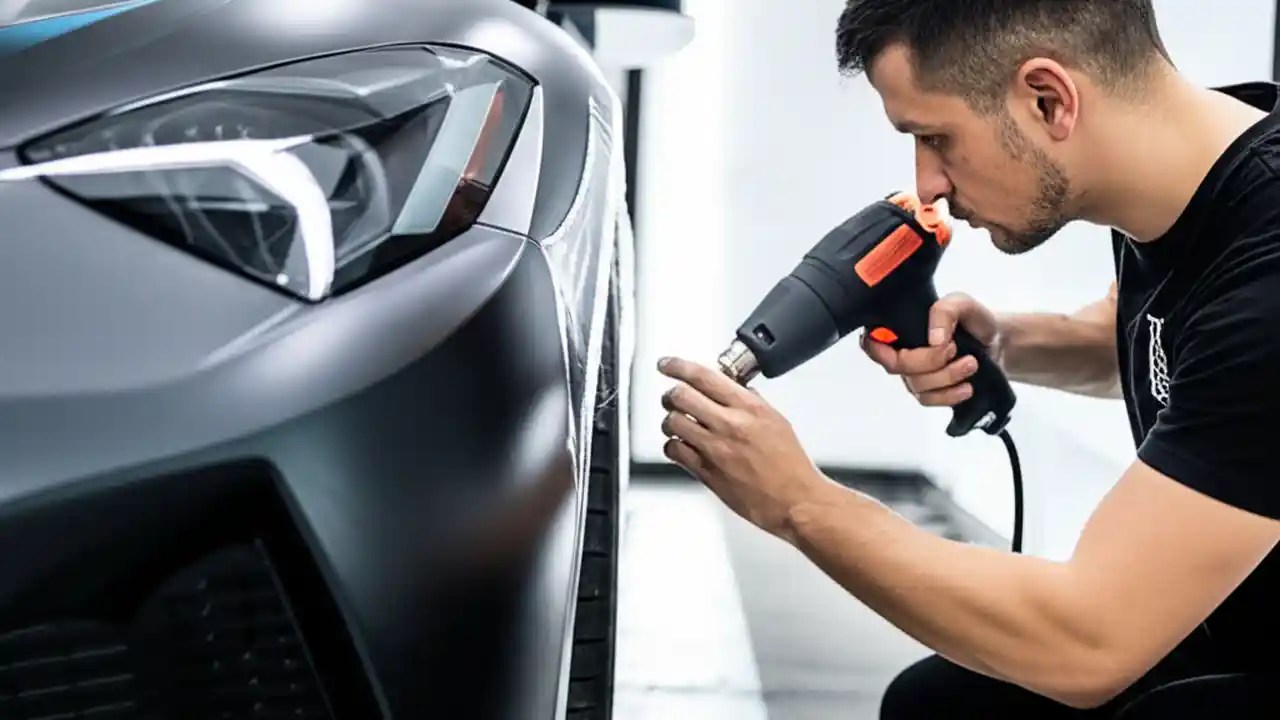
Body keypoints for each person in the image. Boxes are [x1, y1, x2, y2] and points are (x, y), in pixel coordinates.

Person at [654, 0, 1280, 717]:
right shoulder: (1201, 170)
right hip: (1234, 629)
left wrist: (801, 502)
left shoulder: (1269, 281)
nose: (928, 185)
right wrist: (1007, 343)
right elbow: (1161, 341)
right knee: (939, 706)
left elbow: (1089, 641)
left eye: (935, 137)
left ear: (1049, 99)